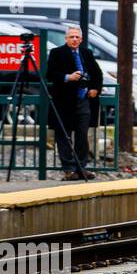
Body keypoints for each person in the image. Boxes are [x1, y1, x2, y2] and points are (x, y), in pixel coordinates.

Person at [45, 25, 103, 180]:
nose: (75, 39)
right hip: (64, 101)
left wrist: (95, 89)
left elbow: (97, 74)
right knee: (64, 135)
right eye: (72, 37)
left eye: (77, 37)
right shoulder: (57, 53)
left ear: (81, 39)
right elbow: (50, 74)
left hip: (83, 99)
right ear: (66, 38)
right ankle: (69, 169)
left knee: (82, 134)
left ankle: (81, 167)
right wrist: (68, 77)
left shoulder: (86, 53)